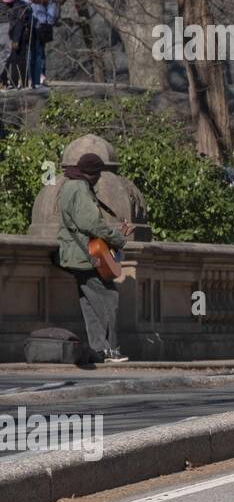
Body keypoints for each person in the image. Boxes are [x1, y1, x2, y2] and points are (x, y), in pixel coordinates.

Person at [56, 153, 134, 363]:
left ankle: (98, 350)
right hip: (87, 256)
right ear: (93, 174)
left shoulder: (70, 186)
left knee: (90, 304)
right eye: (98, 174)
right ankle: (108, 350)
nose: (99, 178)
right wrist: (118, 239)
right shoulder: (79, 189)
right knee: (109, 299)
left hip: (76, 255)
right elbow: (90, 223)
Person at [24, 0, 59, 89]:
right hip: (41, 27)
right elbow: (52, 17)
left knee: (31, 53)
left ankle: (30, 78)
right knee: (39, 54)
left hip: (29, 26)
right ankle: (39, 78)